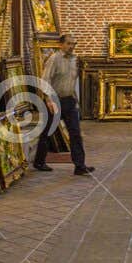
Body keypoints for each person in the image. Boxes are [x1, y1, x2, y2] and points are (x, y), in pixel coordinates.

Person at [38, 33, 92, 176]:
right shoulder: (54, 59)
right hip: (54, 100)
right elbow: (45, 79)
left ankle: (80, 165)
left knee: (75, 133)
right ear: (60, 45)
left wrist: (76, 99)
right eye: (68, 44)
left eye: (73, 44)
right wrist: (48, 99)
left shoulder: (75, 60)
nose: (71, 47)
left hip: (69, 100)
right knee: (47, 132)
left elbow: (73, 81)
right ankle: (39, 161)